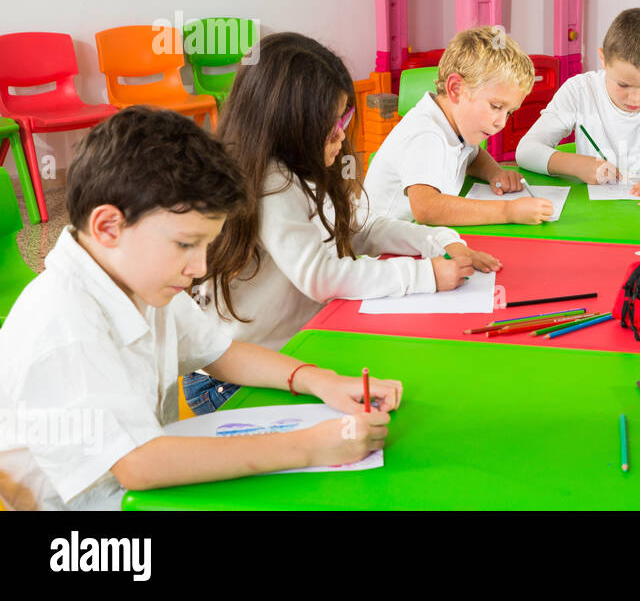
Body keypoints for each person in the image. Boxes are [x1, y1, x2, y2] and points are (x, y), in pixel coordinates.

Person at [0, 107, 395, 510]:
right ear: (108, 227)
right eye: (186, 244)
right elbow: (140, 465)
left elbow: (220, 353)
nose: (201, 267)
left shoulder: (136, 279)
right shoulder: (63, 326)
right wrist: (309, 447)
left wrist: (320, 380)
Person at [194, 32, 477, 412]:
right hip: (232, 383)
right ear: (288, 123)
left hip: (291, 355)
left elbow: (360, 229)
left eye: (343, 116)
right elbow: (321, 276)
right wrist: (425, 276)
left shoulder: (302, 168)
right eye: (331, 122)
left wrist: (436, 241)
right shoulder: (272, 184)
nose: (341, 132)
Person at [515, 7, 640, 197]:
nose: (635, 98)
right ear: (603, 59)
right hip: (592, 217)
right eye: (623, 85)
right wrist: (576, 165)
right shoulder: (580, 91)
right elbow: (526, 150)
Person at [364, 26, 553, 225]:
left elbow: (473, 155)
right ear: (456, 89)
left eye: (509, 112)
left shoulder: (456, 127)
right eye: (496, 106)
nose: (501, 122)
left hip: (413, 237)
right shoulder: (427, 135)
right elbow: (427, 209)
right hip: (380, 249)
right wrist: (509, 211)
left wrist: (494, 172)